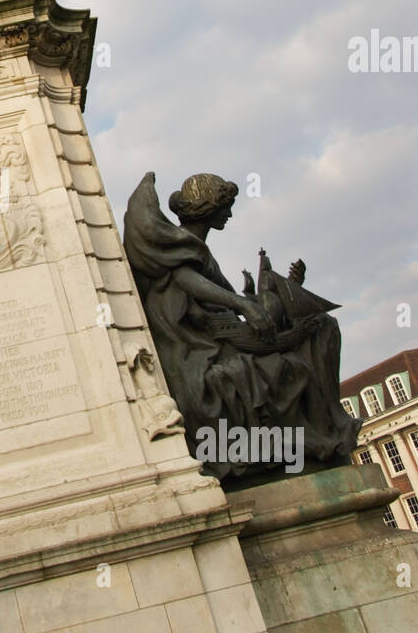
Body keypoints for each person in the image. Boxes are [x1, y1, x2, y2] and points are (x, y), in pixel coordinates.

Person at [122, 172, 359, 481]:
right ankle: (312, 445)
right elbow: (204, 294)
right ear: (209, 208)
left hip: (219, 344)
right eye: (226, 206)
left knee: (322, 329)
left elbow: (237, 314)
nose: (230, 214)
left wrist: (286, 294)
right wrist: (245, 304)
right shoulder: (181, 252)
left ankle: (325, 438)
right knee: (291, 369)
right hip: (197, 356)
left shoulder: (194, 251)